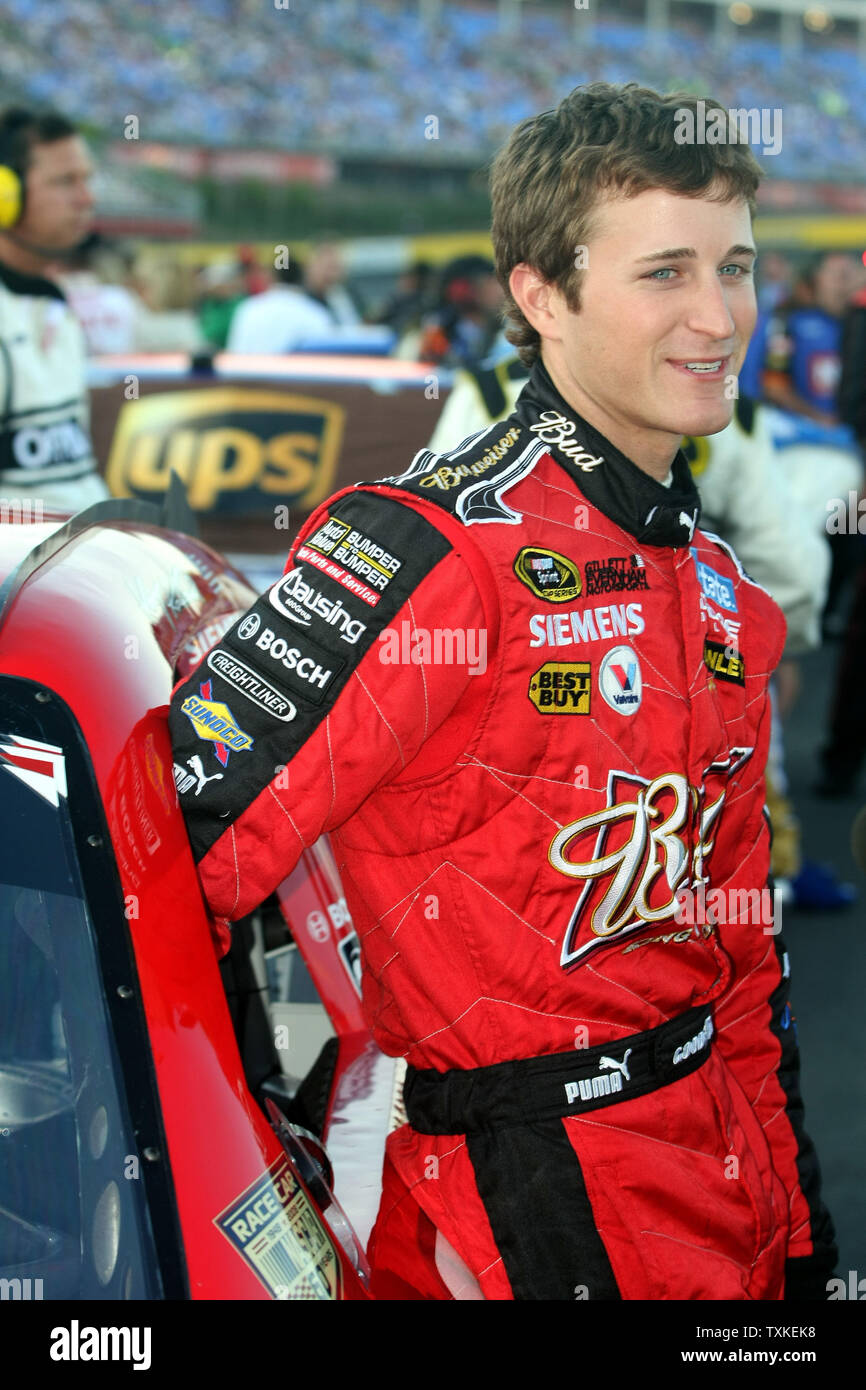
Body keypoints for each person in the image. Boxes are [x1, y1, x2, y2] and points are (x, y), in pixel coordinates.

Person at [168, 83, 837, 1300]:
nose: (716, 315)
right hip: (513, 1202)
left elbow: (744, 961)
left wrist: (796, 1239)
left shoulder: (725, 595)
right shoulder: (427, 552)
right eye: (663, 272)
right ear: (541, 294)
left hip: (719, 1179)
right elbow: (163, 852)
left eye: (734, 267)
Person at [0, 106, 109, 512]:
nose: (87, 198)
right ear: (5, 195)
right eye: (66, 182)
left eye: (87, 179)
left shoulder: (53, 305)